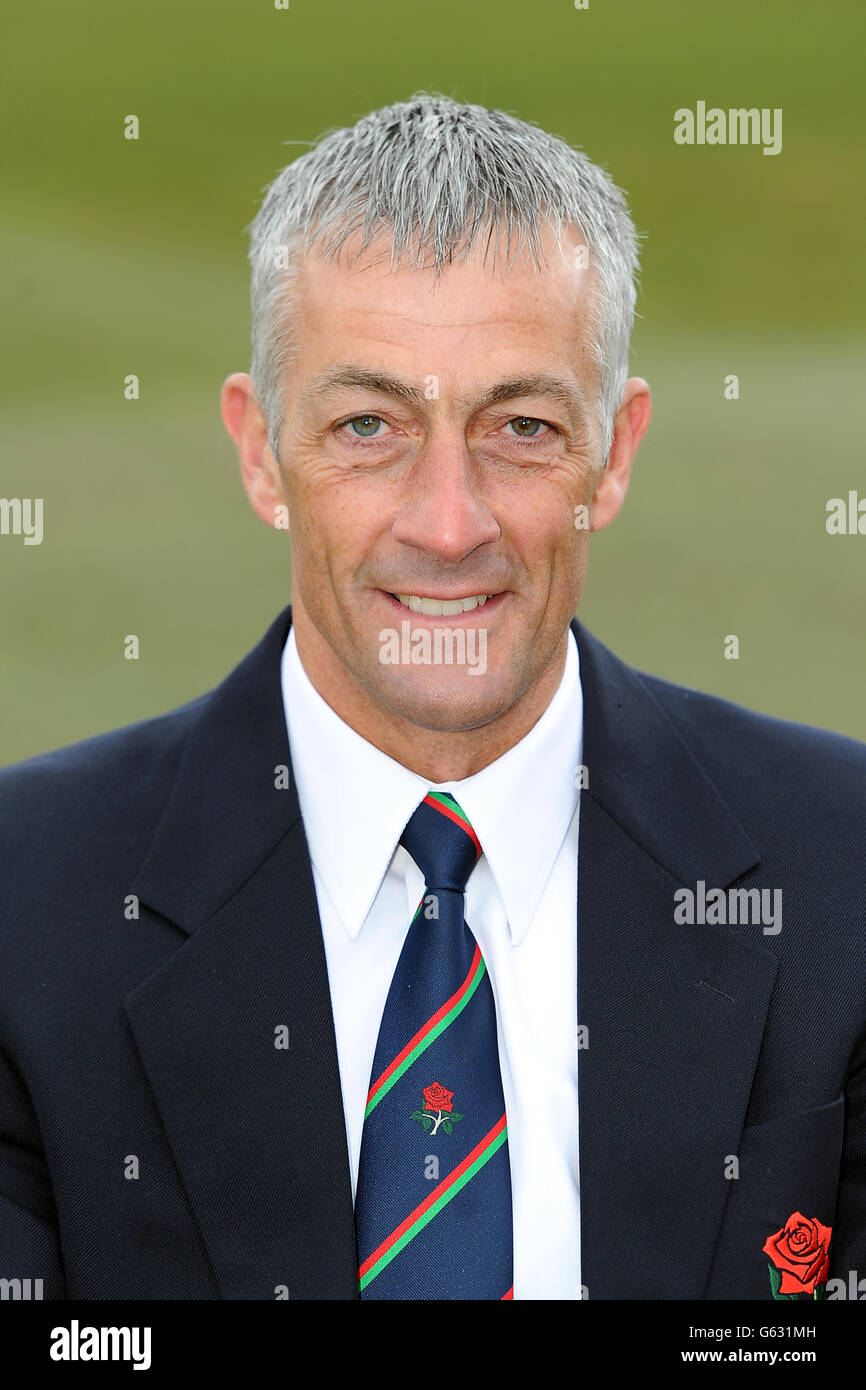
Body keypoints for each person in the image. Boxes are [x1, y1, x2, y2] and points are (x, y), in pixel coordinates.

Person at [1, 94, 864, 1302]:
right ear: (260, 453)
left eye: (520, 426)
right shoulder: (22, 903)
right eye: (367, 425)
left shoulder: (844, 866)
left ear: (612, 455)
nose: (448, 523)